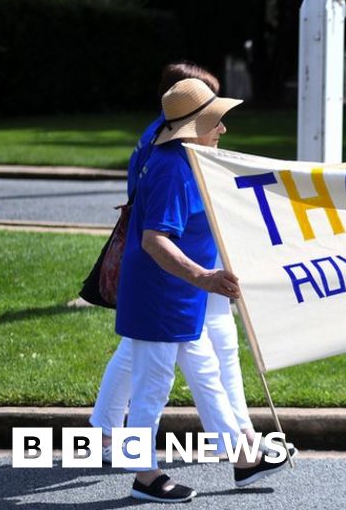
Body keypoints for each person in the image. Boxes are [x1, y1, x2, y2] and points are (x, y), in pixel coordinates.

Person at [90, 64, 284, 468]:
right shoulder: (173, 168)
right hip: (166, 291)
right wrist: (205, 277)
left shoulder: (172, 151)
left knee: (206, 367)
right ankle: (139, 470)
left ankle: (242, 454)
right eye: (216, 121)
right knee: (153, 385)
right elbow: (155, 239)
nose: (224, 130)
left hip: (179, 291)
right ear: (193, 124)